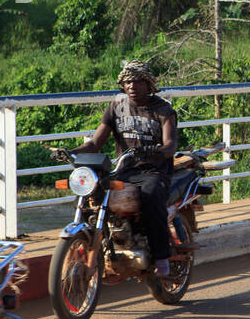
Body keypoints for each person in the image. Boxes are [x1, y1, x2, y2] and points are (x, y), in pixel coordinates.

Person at [59, 61, 178, 278]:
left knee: (151, 198)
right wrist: (70, 152)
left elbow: (170, 146)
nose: (131, 86)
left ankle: (161, 256)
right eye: (127, 82)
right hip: (125, 171)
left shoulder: (163, 110)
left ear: (148, 84)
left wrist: (155, 151)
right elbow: (94, 143)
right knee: (93, 194)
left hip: (154, 172)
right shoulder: (116, 106)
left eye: (137, 81)